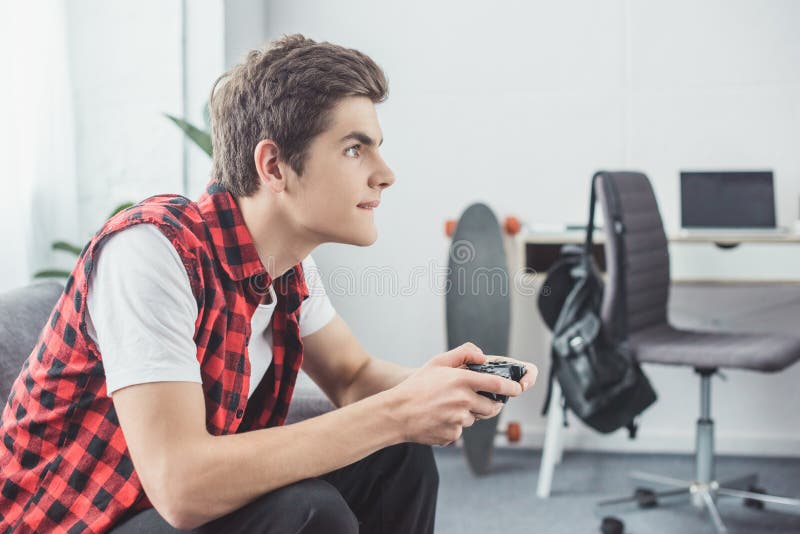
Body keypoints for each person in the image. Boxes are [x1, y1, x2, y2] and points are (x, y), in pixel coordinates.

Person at [0, 34, 537, 533]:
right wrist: (397, 413)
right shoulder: (152, 251)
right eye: (355, 149)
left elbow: (352, 376)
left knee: (398, 457)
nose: (385, 172)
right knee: (307, 514)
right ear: (274, 166)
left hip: (157, 506)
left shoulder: (286, 268)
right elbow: (181, 484)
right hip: (79, 522)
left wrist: (438, 386)